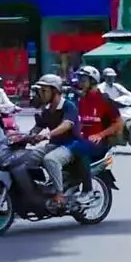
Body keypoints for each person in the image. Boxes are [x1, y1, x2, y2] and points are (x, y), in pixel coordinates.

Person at [26, 74, 79, 208]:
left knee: (50, 160)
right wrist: (27, 136)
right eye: (40, 91)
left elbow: (67, 124)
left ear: (54, 91)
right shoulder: (47, 109)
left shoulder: (68, 106)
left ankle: (59, 194)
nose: (40, 94)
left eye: (44, 91)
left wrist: (47, 135)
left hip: (71, 145)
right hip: (55, 145)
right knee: (28, 157)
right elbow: (38, 126)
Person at [70, 65, 122, 195]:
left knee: (79, 150)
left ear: (92, 81)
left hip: (99, 143)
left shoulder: (104, 100)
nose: (80, 82)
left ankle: (87, 189)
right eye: (79, 79)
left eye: (83, 79)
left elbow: (118, 123)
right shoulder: (80, 100)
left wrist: (100, 134)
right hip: (82, 140)